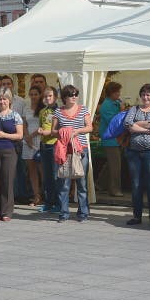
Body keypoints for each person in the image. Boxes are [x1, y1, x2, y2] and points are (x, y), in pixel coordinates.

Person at [124, 84, 150, 226]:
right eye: (143, 94)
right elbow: (127, 124)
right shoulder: (134, 109)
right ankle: (137, 216)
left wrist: (137, 125)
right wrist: (143, 127)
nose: (145, 97)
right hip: (133, 152)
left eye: (148, 94)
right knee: (136, 185)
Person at [51, 85, 92, 223]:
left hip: (80, 150)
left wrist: (76, 131)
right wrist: (64, 131)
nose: (74, 97)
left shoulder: (83, 109)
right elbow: (53, 131)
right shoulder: (58, 111)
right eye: (71, 94)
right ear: (65, 97)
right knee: (64, 183)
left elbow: (90, 127)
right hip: (64, 150)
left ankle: (83, 212)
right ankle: (63, 213)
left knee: (82, 182)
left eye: (76, 94)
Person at [0, 88, 24, 221]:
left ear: (9, 100)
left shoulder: (15, 115)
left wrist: (4, 135)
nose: (2, 101)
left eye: (5, 99)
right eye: (0, 99)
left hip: (9, 151)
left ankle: (6, 212)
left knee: (7, 181)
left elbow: (20, 135)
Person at [98, 82, 124, 197]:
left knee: (110, 164)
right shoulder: (107, 106)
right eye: (117, 92)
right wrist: (123, 112)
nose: (119, 94)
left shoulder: (115, 103)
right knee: (115, 166)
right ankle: (114, 189)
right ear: (111, 93)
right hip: (110, 139)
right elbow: (114, 122)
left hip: (115, 139)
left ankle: (100, 184)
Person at [36, 86, 60, 213]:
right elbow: (41, 126)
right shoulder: (42, 111)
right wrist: (40, 130)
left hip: (55, 144)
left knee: (56, 176)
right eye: (45, 96)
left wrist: (48, 133)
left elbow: (60, 130)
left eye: (50, 96)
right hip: (44, 145)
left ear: (55, 97)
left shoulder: (60, 111)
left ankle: (58, 203)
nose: (47, 98)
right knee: (46, 176)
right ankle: (48, 202)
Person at [22, 85, 44, 206]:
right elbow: (24, 123)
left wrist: (32, 136)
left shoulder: (43, 109)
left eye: (36, 94)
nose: (34, 96)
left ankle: (45, 194)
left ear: (40, 95)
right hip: (28, 141)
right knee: (32, 170)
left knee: (42, 170)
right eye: (32, 94)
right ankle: (36, 196)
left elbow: (43, 126)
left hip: (39, 139)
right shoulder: (26, 108)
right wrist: (27, 137)